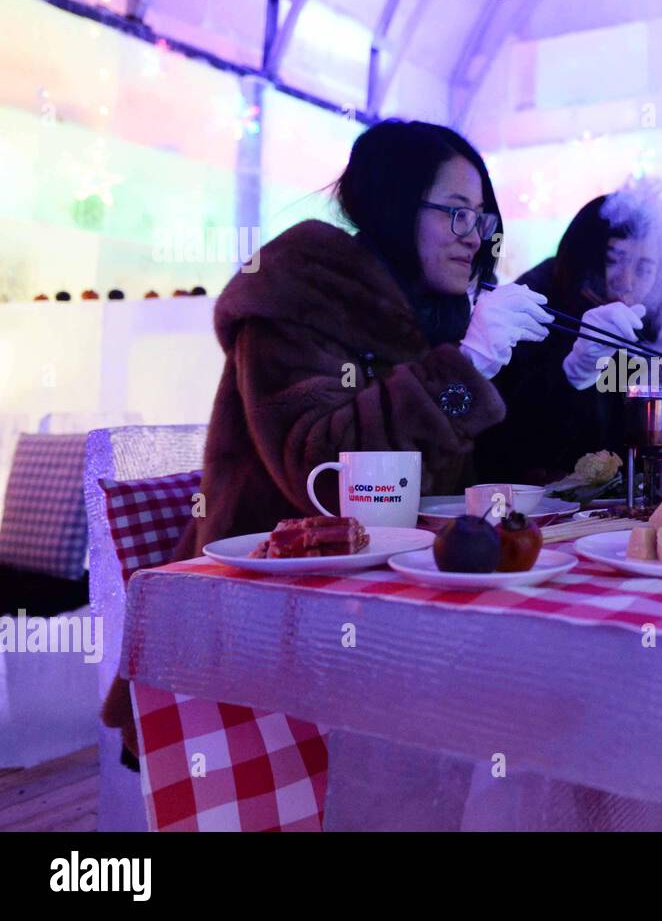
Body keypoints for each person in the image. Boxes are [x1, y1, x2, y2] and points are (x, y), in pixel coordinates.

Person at [104, 120, 552, 752]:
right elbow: (320, 469)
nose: (475, 237)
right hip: (268, 617)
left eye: (481, 217)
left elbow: (471, 475)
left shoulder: (432, 311)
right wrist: (465, 367)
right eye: (456, 214)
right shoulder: (297, 298)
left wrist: (565, 373)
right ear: (395, 206)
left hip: (389, 597)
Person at [477, 179, 662, 484]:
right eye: (614, 260)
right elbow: (510, 441)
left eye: (644, 268)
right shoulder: (534, 304)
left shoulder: (649, 319)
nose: (627, 281)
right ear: (584, 255)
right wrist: (572, 374)